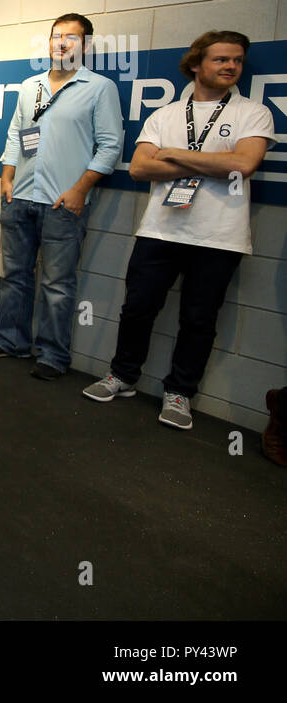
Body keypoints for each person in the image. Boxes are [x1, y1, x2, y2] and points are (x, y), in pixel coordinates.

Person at [82, 31, 274, 430]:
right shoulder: (165, 114)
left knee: (199, 319)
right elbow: (139, 168)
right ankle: (123, 375)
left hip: (219, 237)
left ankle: (180, 393)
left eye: (237, 60)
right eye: (221, 59)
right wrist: (213, 160)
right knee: (137, 308)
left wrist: (172, 154)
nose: (231, 67)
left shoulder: (253, 113)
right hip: (160, 231)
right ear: (197, 64)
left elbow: (244, 164)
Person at [0, 13, 123, 380]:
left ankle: (53, 356)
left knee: (57, 285)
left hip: (63, 202)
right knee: (14, 275)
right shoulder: (31, 86)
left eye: (71, 38)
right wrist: (7, 178)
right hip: (21, 195)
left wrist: (80, 190)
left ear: (85, 46)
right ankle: (12, 341)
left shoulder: (99, 88)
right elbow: (16, 133)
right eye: (56, 36)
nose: (61, 43)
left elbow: (110, 147)